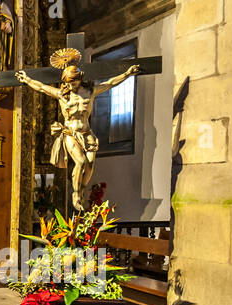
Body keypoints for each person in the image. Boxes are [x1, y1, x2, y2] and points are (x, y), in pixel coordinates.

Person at [15, 62, 139, 212]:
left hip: (87, 134)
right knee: (80, 162)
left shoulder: (90, 92)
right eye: (68, 82)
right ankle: (75, 195)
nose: (71, 85)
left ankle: (81, 190)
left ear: (80, 79)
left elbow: (110, 83)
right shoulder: (62, 95)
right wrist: (27, 80)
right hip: (70, 133)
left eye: (73, 82)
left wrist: (127, 74)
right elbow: (42, 87)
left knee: (90, 165)